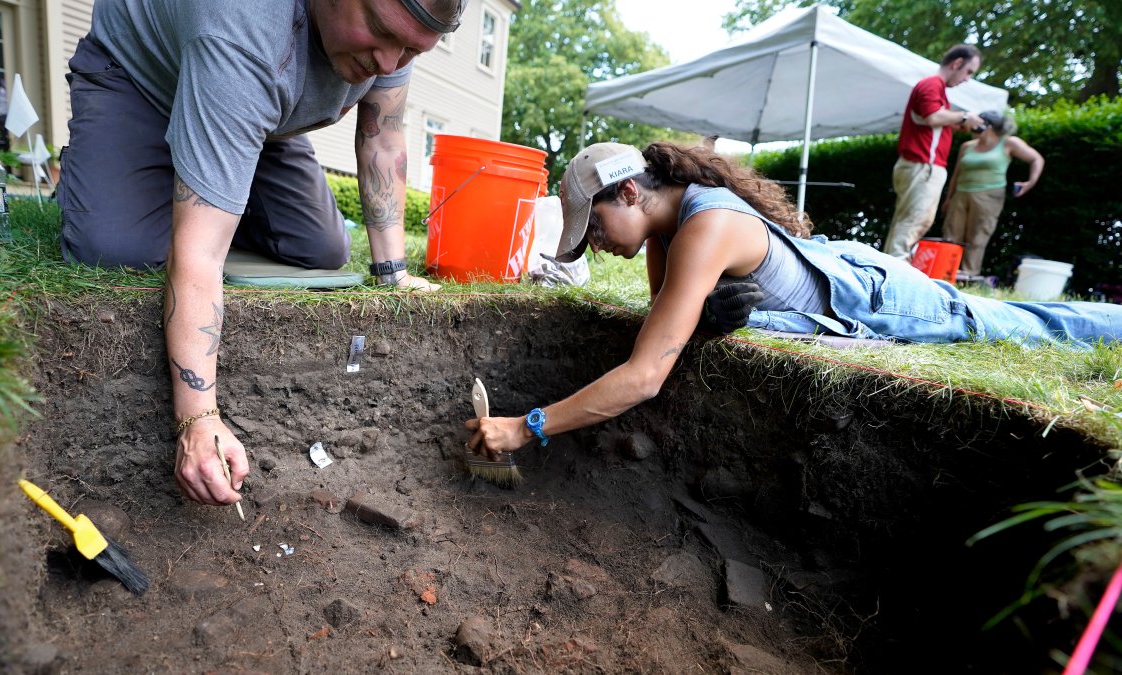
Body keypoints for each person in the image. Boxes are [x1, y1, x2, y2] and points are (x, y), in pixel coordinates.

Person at [464, 141, 1121, 457]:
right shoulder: (668, 231)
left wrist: (529, 426)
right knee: (1019, 319)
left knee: (1023, 323)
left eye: (595, 228)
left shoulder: (704, 227)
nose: (597, 245)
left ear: (629, 193)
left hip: (878, 297)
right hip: (844, 270)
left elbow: (644, 376)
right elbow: (669, 323)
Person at [57, 0, 465, 507]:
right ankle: (114, 175)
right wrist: (198, 418)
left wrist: (392, 273)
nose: (389, 63)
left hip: (259, 114)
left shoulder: (395, 36)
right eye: (381, 34)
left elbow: (383, 141)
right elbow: (200, 255)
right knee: (115, 247)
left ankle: (220, 173)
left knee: (322, 248)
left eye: (411, 50)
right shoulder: (242, 28)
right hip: (141, 83)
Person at [882, 45, 985, 261]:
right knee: (915, 222)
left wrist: (959, 124)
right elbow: (932, 117)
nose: (967, 79)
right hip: (923, 166)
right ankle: (897, 274)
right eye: (969, 72)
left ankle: (888, 269)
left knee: (906, 222)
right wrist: (964, 117)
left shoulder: (935, 89)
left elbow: (931, 121)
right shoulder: (932, 85)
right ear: (956, 63)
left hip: (917, 166)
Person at [941, 111, 1044, 277]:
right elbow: (956, 174)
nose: (972, 126)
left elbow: (1036, 159)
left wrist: (1030, 182)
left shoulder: (1008, 143)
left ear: (989, 126)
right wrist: (949, 198)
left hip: (989, 196)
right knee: (952, 234)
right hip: (961, 194)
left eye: (977, 123)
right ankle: (945, 272)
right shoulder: (967, 146)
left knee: (978, 236)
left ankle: (968, 274)